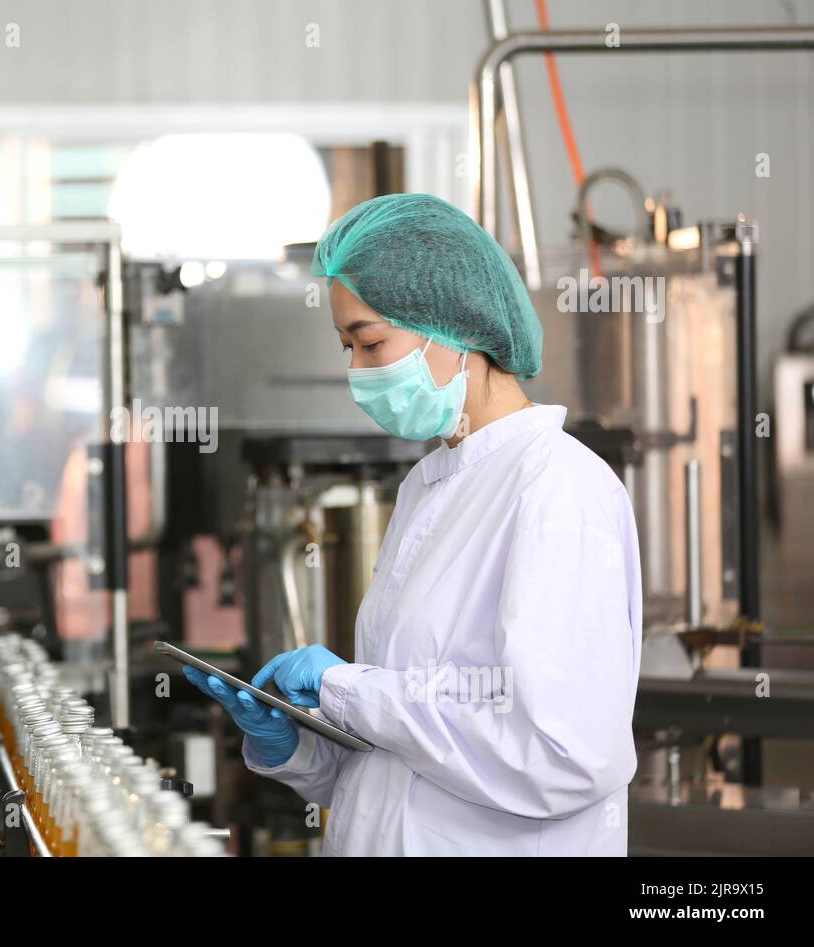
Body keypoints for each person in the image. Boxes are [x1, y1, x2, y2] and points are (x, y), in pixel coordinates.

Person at [184, 193, 642, 856]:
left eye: (371, 342)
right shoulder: (430, 486)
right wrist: (299, 741)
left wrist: (347, 687)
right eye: (348, 347)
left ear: (452, 321)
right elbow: (403, 759)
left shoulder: (557, 488)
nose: (357, 373)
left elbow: (561, 753)